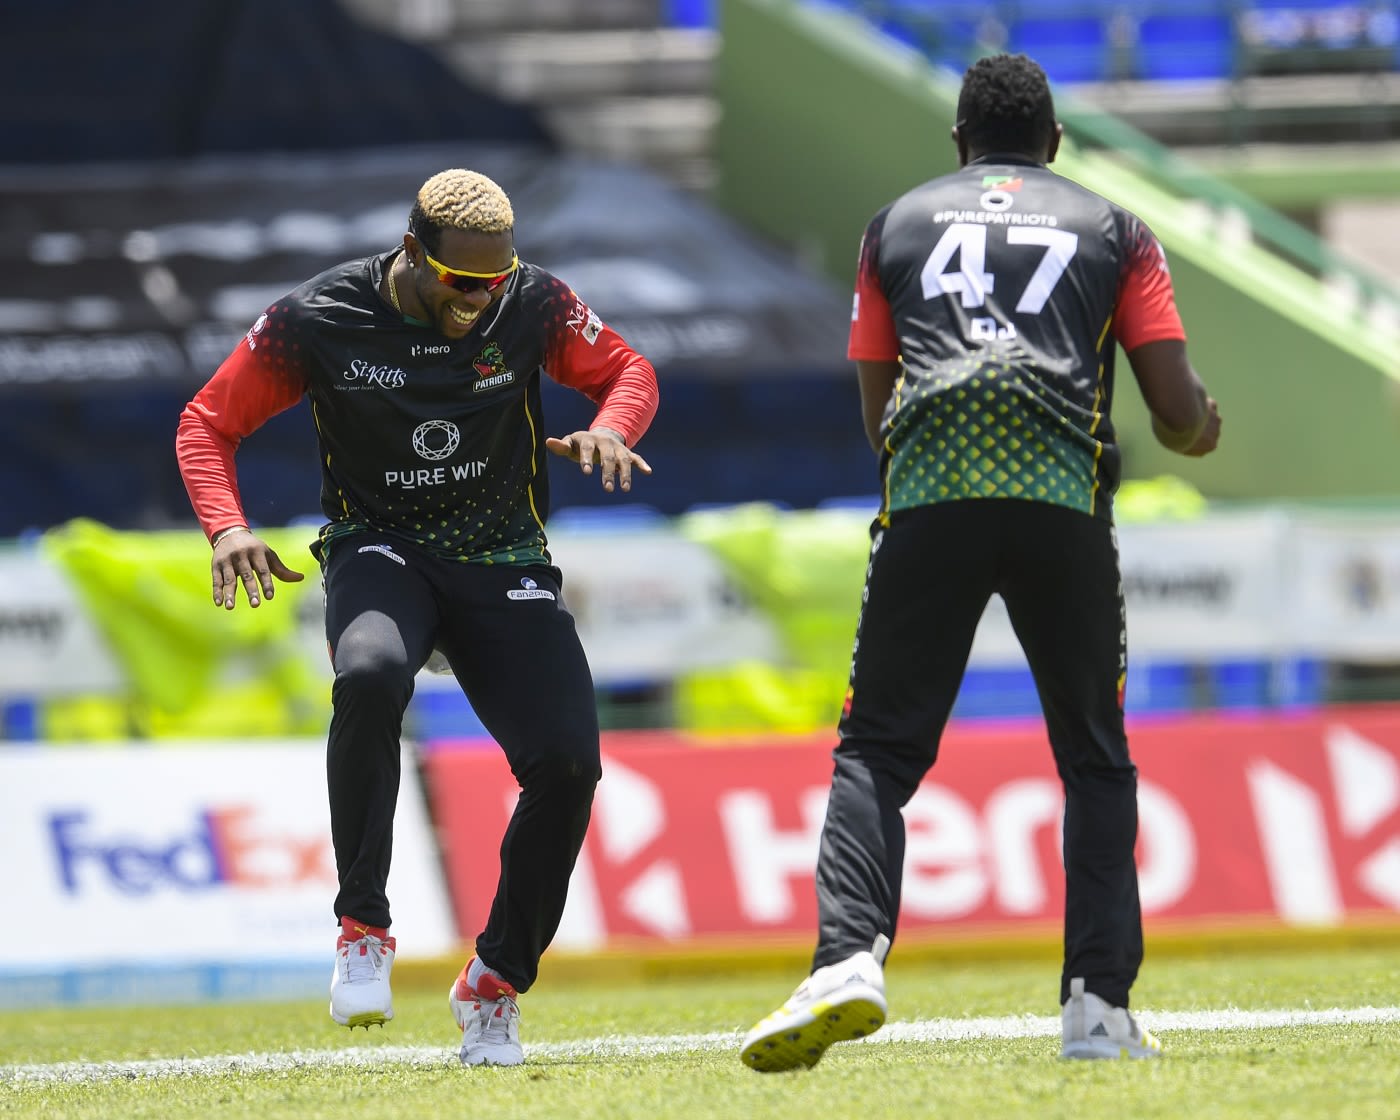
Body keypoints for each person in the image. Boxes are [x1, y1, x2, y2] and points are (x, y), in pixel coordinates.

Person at [740, 53, 1220, 1072]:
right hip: (1059, 504)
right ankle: (1095, 1007)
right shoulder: (1115, 228)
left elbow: (875, 409)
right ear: (1054, 142)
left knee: (876, 749)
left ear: (956, 142)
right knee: (1092, 754)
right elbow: (1176, 415)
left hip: (929, 500)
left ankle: (844, 960)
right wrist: (1196, 427)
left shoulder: (893, 225)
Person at [175, 167, 659, 1067]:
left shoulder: (532, 301)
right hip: (381, 549)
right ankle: (363, 926)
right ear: (412, 254)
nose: (480, 301)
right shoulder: (318, 318)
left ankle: (496, 982)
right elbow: (207, 423)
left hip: (502, 558)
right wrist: (227, 526)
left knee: (567, 766)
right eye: (461, 283)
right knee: (367, 674)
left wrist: (616, 425)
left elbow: (628, 368)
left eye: (495, 283)